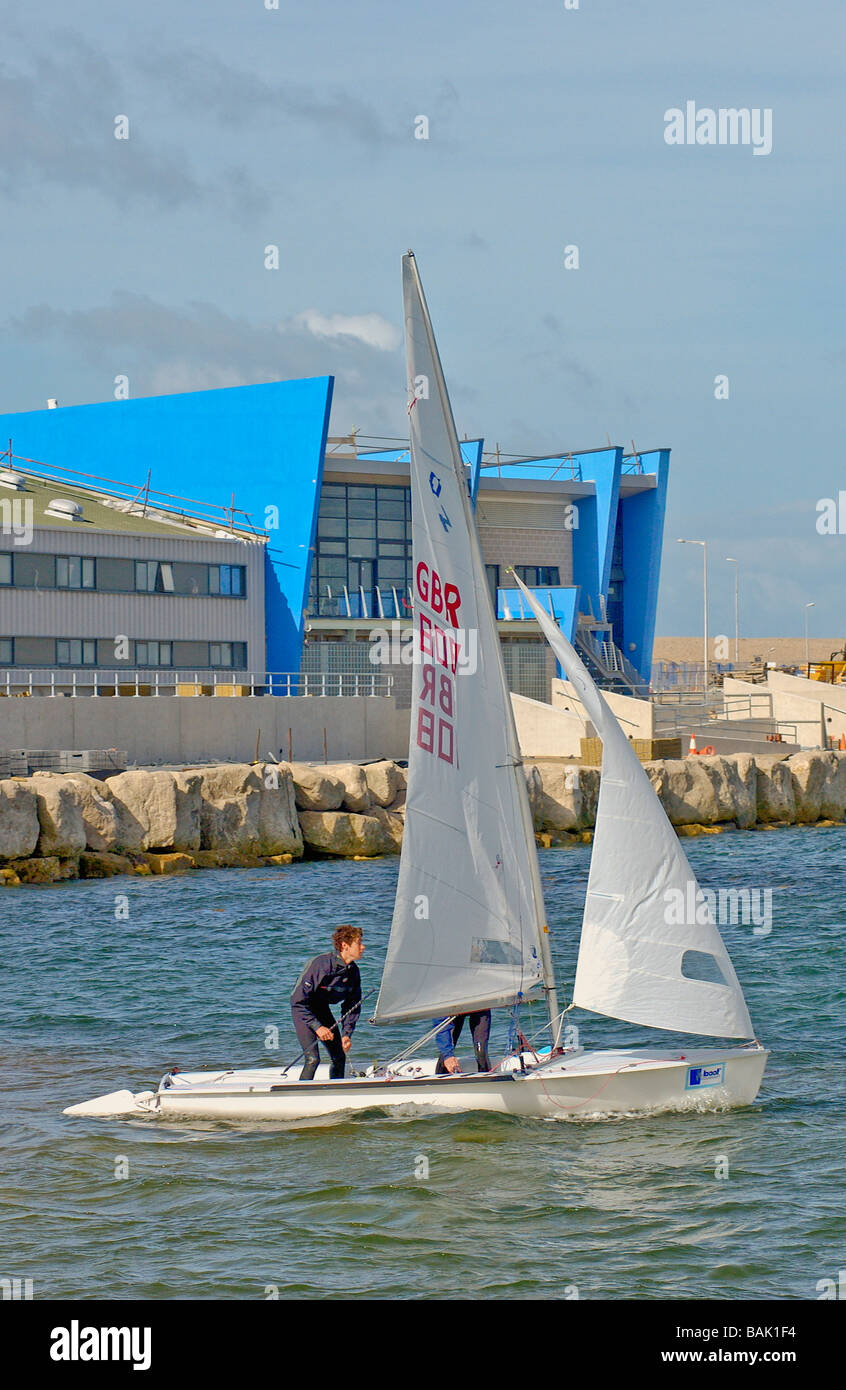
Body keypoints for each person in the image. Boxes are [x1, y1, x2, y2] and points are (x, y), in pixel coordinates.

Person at [290, 925, 364, 1081]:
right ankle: (301, 1096)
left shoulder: (353, 972)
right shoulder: (321, 964)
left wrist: (346, 1034)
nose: (363, 947)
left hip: (321, 1009)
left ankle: (335, 1091)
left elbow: (352, 1006)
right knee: (313, 1059)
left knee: (339, 1056)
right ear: (345, 945)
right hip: (304, 1011)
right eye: (359, 943)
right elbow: (297, 1001)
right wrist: (317, 1027)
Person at [434, 1011, 492, 1075]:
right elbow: (442, 1025)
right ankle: (440, 1079)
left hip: (479, 1006)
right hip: (454, 1007)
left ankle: (485, 1078)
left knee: (481, 1052)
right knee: (445, 1057)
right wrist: (447, 1055)